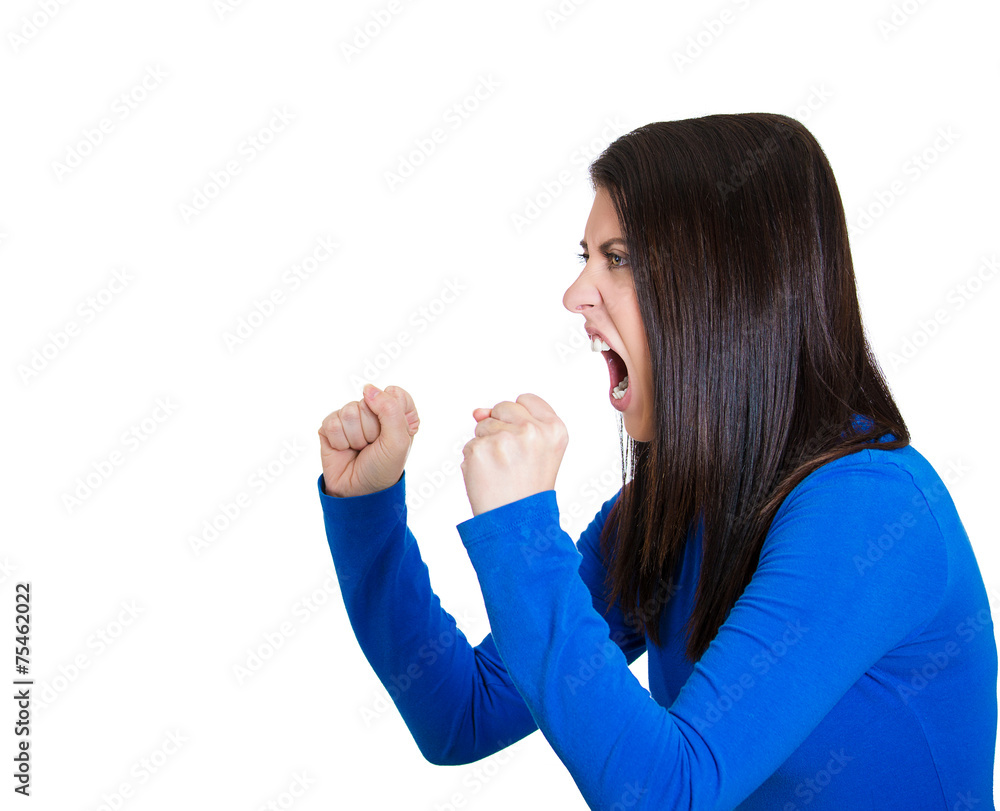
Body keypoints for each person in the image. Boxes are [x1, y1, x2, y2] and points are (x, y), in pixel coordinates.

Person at [315, 113, 998, 809]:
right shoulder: (673, 502)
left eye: (617, 258)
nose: (575, 294)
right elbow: (461, 712)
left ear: (730, 286)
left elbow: (671, 794)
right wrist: (367, 508)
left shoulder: (871, 508)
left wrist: (522, 533)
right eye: (585, 256)